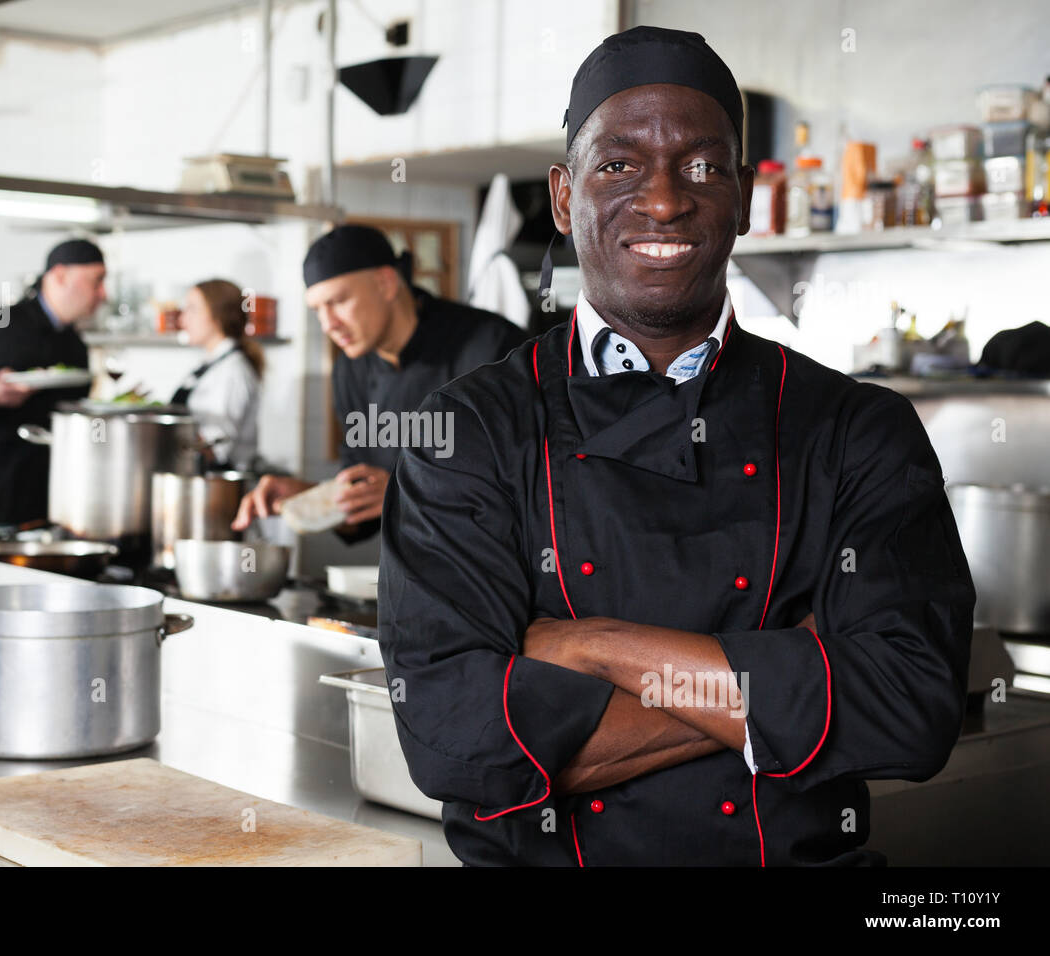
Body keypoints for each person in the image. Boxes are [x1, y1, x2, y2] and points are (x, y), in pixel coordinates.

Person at [377, 26, 975, 866]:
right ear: (562, 196)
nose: (663, 201)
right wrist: (786, 679)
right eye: (619, 165)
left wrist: (591, 648)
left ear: (742, 191)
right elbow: (456, 739)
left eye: (701, 165)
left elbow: (909, 709)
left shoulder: (855, 428)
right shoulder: (467, 431)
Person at [232, 224, 527, 539]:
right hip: (409, 575)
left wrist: (408, 493)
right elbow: (367, 498)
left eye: (339, 301)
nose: (328, 324)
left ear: (386, 283)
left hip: (497, 573)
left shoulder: (492, 348)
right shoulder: (351, 370)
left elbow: (529, 483)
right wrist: (306, 498)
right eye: (318, 309)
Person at [0, 238, 106, 524]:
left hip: (54, 487)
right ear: (60, 276)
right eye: (96, 281)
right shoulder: (1, 324)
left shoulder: (74, 343)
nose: (103, 294)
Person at [169, 279, 262, 471]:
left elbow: (216, 447)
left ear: (218, 315)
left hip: (220, 486)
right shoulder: (210, 365)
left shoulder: (233, 371)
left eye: (192, 309)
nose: (182, 319)